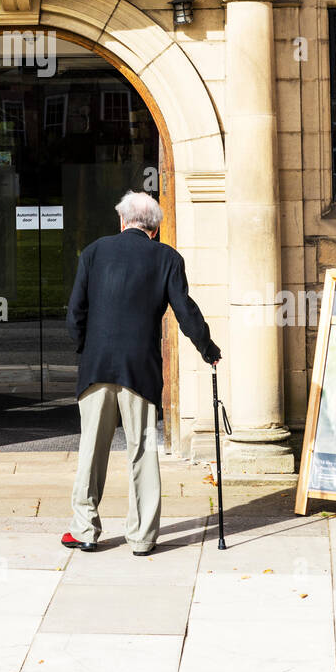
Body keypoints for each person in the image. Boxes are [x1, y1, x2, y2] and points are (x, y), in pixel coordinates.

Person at [62, 189, 221, 556]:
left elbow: (75, 313)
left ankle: (84, 530)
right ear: (155, 228)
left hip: (96, 368)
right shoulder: (167, 258)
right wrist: (208, 349)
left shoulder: (94, 252)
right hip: (141, 371)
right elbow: (186, 312)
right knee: (144, 452)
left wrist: (86, 348)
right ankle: (143, 537)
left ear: (122, 221)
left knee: (91, 450)